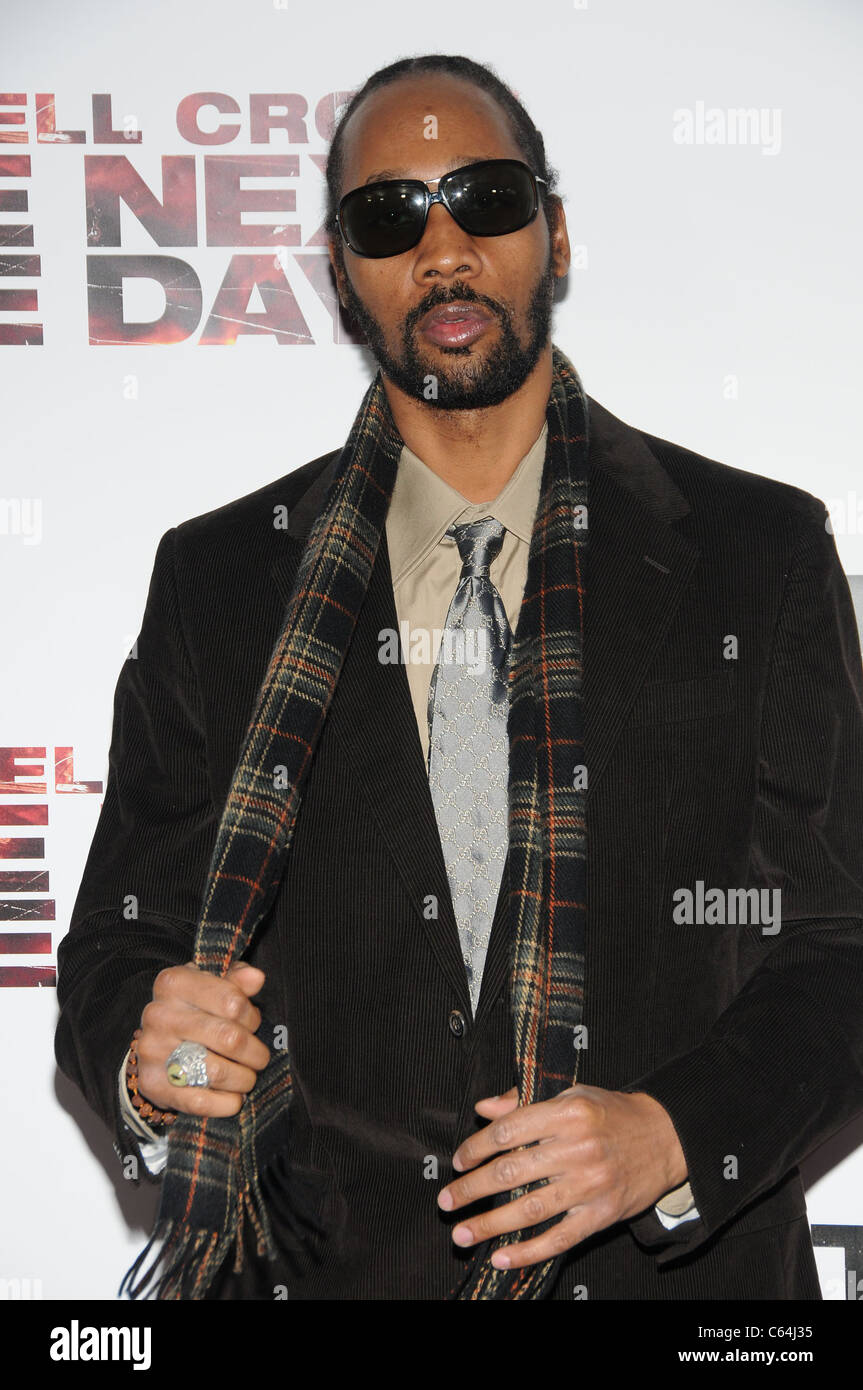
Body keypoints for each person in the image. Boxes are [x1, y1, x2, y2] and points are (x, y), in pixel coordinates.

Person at [55, 53, 863, 1301]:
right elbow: (121, 942)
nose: (442, 248)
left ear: (554, 232)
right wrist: (146, 1050)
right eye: (390, 215)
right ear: (341, 272)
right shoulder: (221, 581)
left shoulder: (755, 555)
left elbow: (839, 938)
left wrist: (669, 1131)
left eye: (484, 197)